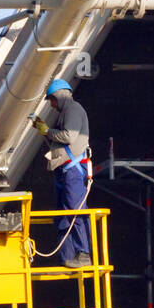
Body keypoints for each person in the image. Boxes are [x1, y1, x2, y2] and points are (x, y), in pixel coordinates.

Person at [31, 78, 92, 267]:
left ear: (59, 96)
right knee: (64, 214)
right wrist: (45, 131)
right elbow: (62, 140)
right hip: (65, 171)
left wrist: (48, 131)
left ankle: (83, 254)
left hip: (72, 171)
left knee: (74, 211)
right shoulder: (67, 112)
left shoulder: (73, 109)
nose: (52, 105)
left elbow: (68, 136)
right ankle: (67, 256)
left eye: (52, 100)